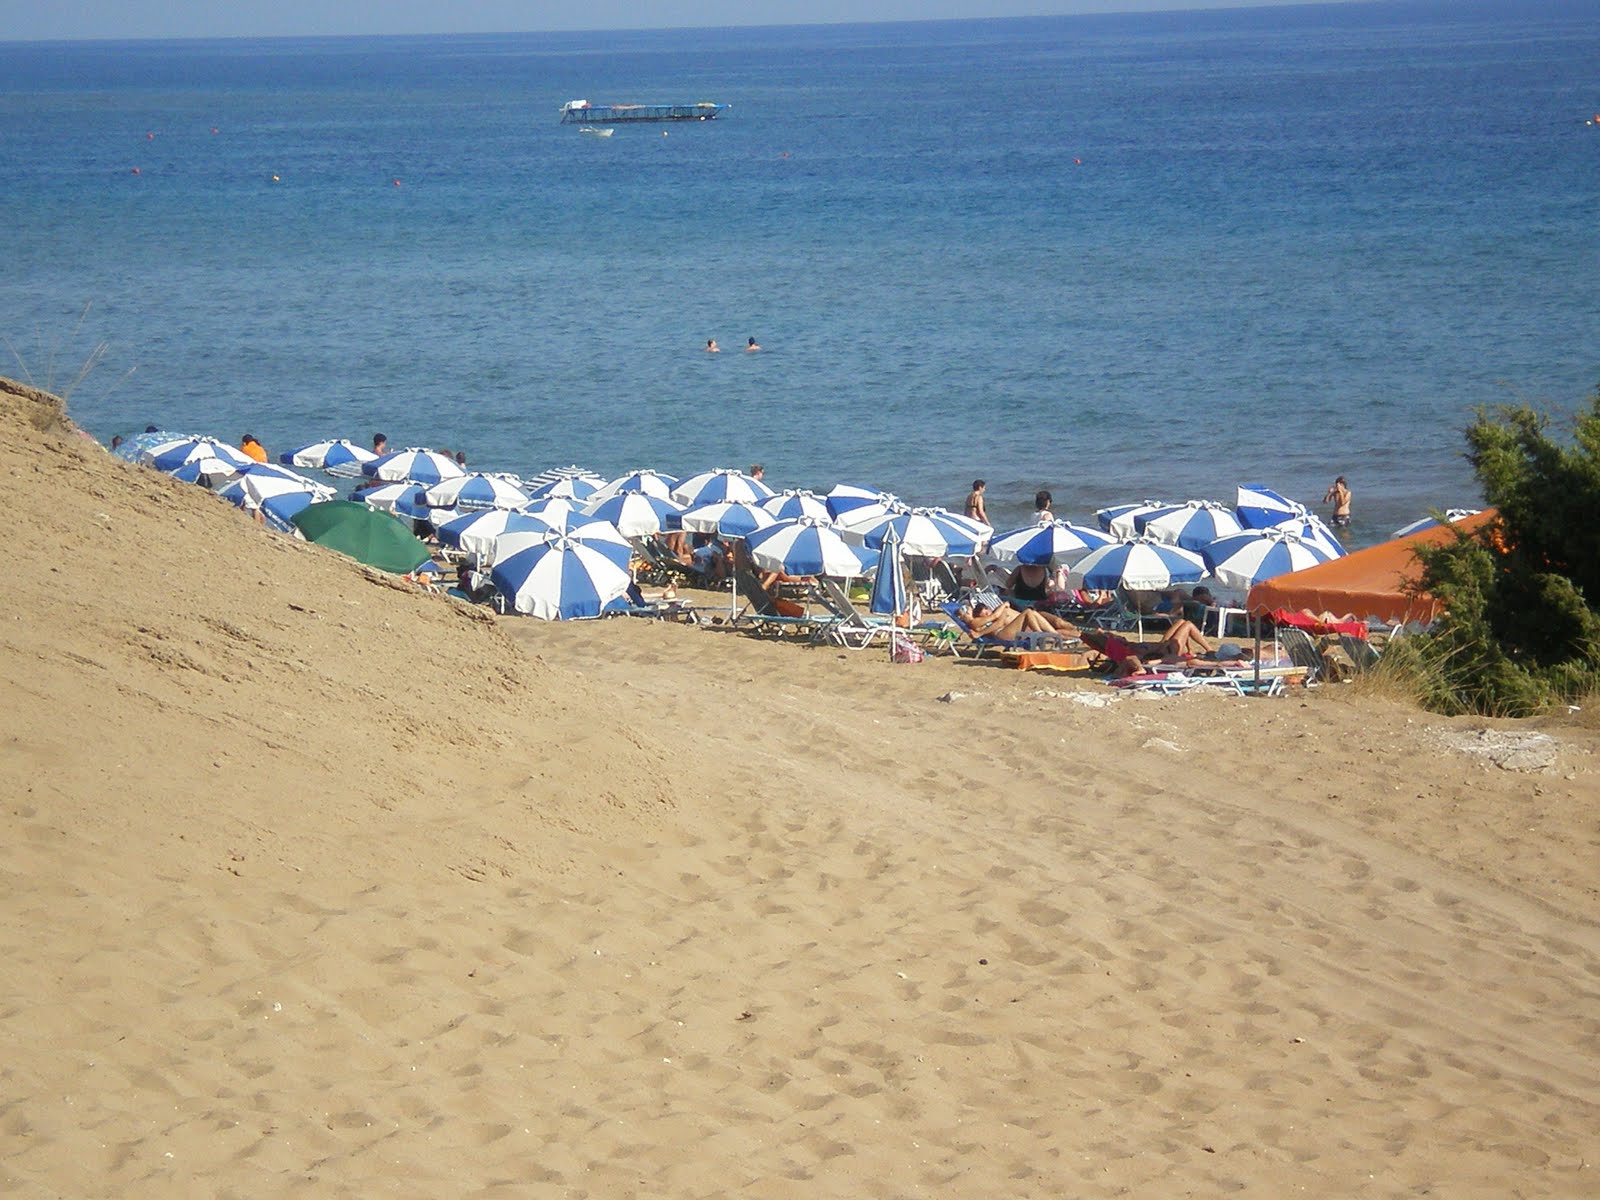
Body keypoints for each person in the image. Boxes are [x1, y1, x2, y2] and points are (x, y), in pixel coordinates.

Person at [956, 597, 1078, 642]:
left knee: (1037, 615)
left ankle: (1079, 635)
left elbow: (996, 619)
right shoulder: (973, 621)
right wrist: (1003, 606)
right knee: (1028, 612)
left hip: (1006, 630)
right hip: (1003, 633)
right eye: (965, 611)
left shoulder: (979, 619)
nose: (967, 611)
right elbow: (996, 620)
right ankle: (1042, 635)